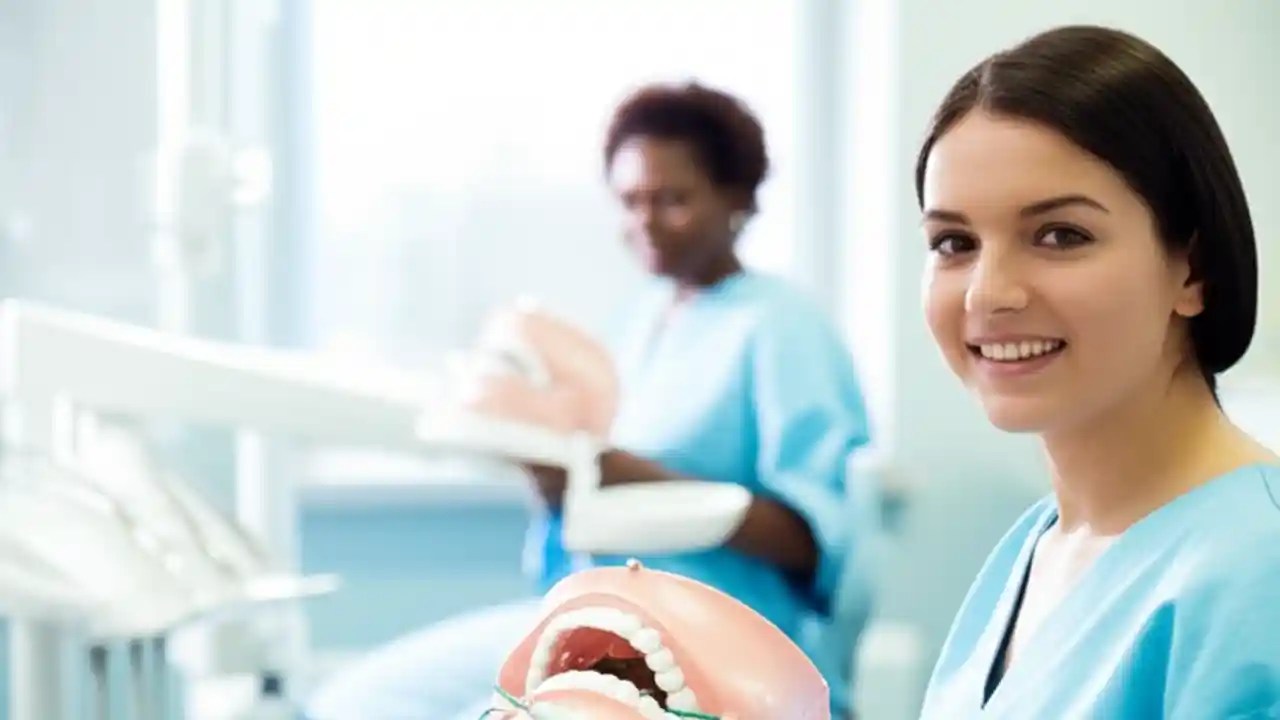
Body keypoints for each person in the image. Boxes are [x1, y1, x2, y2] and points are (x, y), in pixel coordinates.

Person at [306, 81, 873, 720]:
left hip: (709, 633)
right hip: (599, 612)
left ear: (737, 196)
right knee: (358, 700)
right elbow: (590, 479)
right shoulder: (640, 321)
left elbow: (815, 541)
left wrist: (620, 474)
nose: (646, 222)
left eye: (673, 199)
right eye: (630, 202)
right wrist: (553, 474)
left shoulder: (782, 328)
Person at [914, 24, 1280, 718]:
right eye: (953, 242)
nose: (987, 294)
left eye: (1060, 236)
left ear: (1192, 270)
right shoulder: (1034, 545)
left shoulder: (1260, 573)